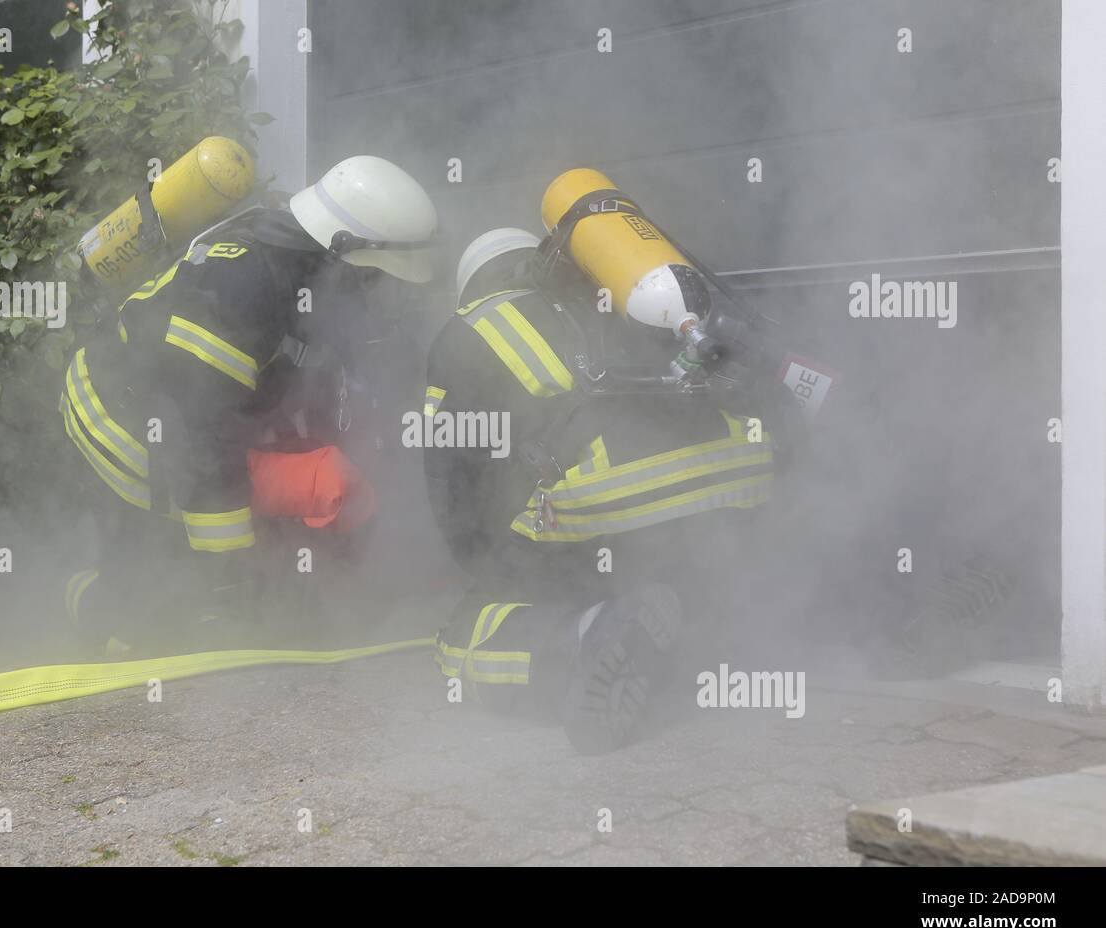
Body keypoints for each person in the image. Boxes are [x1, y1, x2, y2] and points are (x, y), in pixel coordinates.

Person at [423, 207, 794, 753]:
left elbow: (454, 490)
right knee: (676, 578)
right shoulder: (617, 290)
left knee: (464, 637)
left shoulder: (468, 329)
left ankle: (584, 633)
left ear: (470, 285)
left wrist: (507, 572)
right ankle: (709, 629)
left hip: (615, 498)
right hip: (734, 479)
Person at [61, 156, 438, 652]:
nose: (382, 297)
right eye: (377, 280)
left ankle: (155, 580)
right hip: (119, 417)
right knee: (177, 614)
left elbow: (288, 387)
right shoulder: (240, 288)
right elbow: (196, 431)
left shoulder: (298, 263)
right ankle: (98, 604)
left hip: (184, 419)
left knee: (233, 557)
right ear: (344, 254)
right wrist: (232, 576)